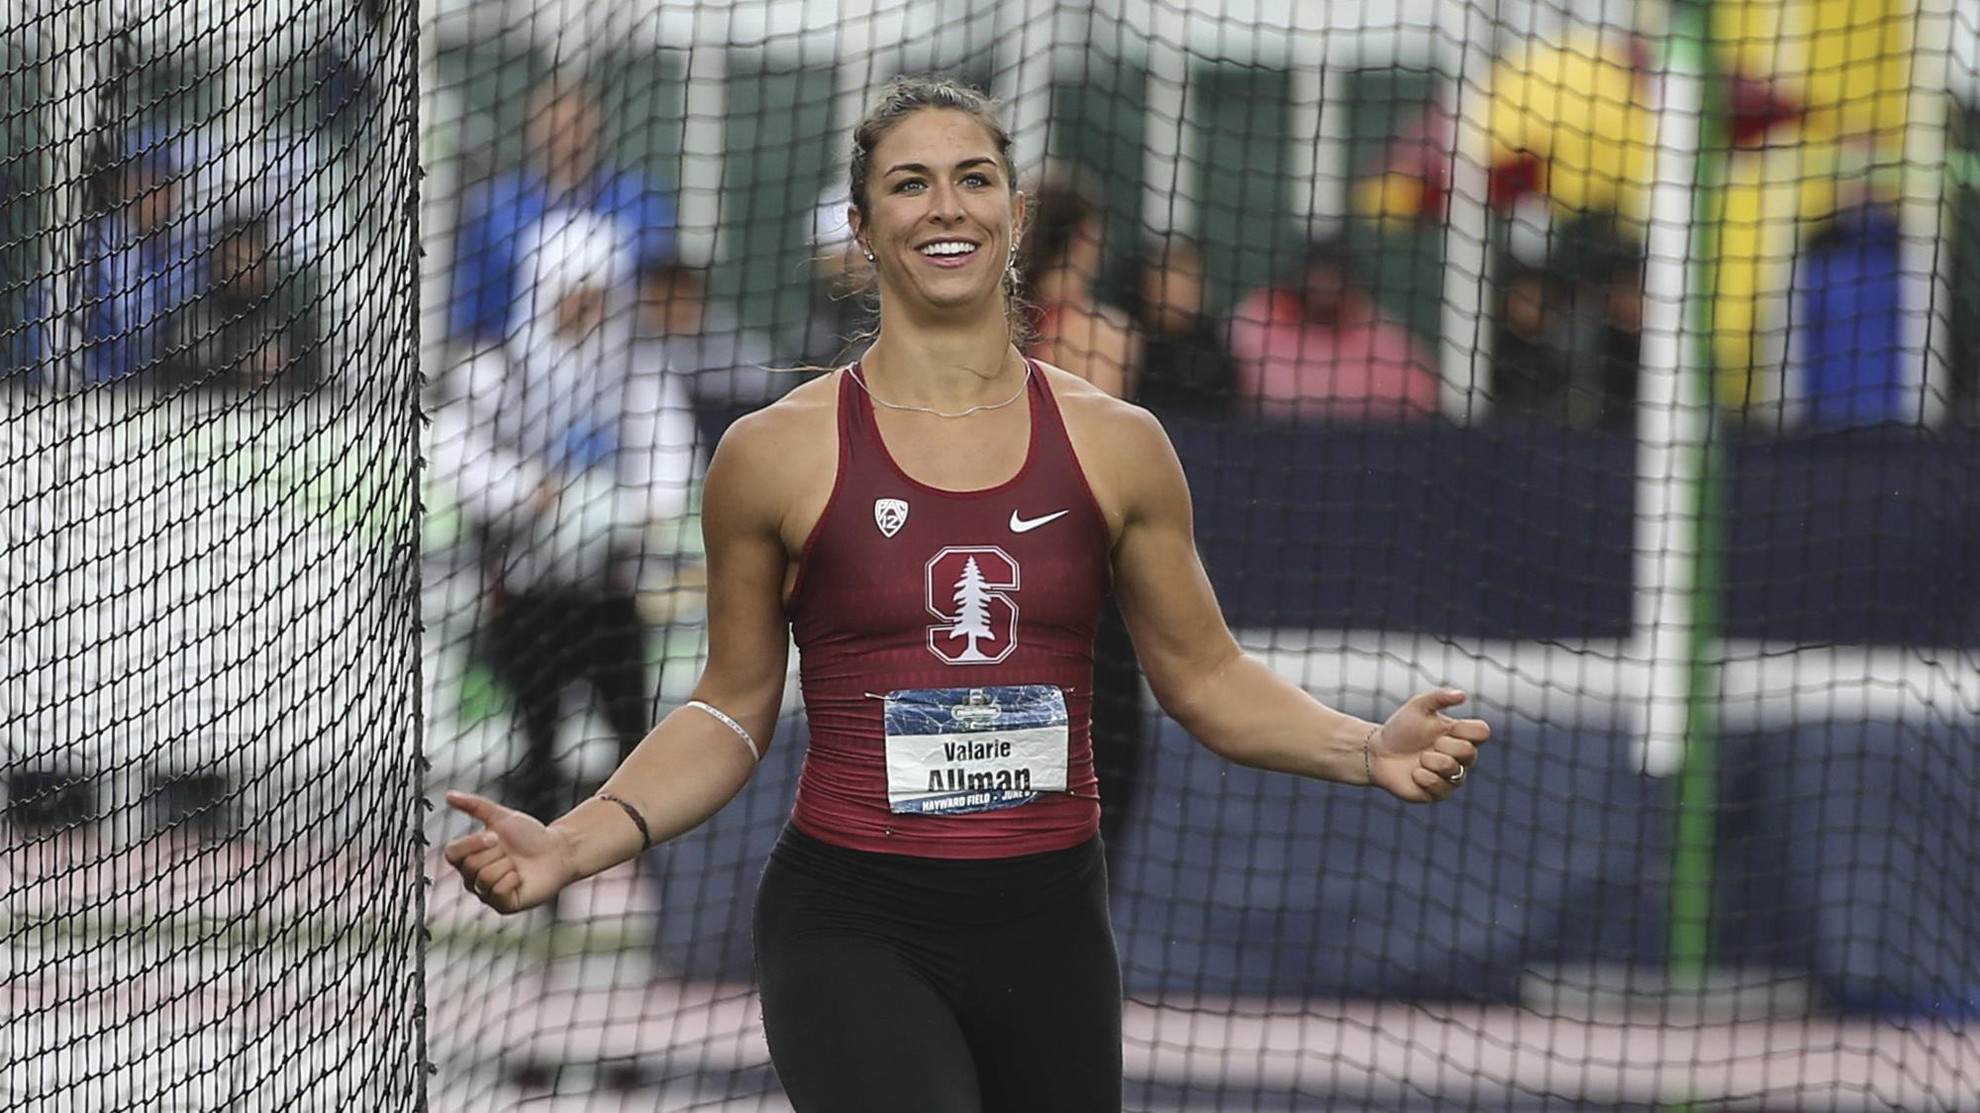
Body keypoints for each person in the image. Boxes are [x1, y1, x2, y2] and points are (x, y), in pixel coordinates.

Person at [443, 76, 1488, 1112]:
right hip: (851, 925)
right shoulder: (773, 455)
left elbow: (1208, 678)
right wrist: (573, 843)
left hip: (1050, 934)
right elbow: (729, 708)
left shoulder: (1119, 447)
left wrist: (1368, 748)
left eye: (973, 178)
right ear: (862, 225)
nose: (945, 205)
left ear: (1015, 213)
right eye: (910, 184)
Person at [430, 209, 701, 829]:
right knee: (536, 740)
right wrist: (535, 491)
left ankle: (656, 878)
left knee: (633, 737)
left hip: (607, 594)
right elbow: (456, 453)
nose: (588, 310)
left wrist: (619, 512)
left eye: (599, 297)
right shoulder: (498, 368)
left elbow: (671, 456)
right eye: (575, 295)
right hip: (525, 595)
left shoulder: (635, 370)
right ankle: (539, 891)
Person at [1014, 171, 1146, 868]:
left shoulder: (989, 335)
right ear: (1085, 240)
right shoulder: (1103, 334)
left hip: (1006, 565)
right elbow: (1103, 456)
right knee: (1105, 764)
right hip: (1086, 572)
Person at [447, 75, 678, 351]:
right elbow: (475, 307)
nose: (570, 138)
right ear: (536, 130)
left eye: (578, 124)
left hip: (619, 356)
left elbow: (660, 280)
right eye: (558, 127)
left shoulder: (638, 198)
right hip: (519, 356)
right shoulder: (496, 205)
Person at [1227, 239, 1441, 420]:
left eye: (1334, 277)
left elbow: (1424, 402)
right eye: (1316, 276)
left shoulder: (1383, 340)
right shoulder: (1256, 327)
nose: (1325, 286)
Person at [81, 127, 206, 385]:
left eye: (160, 184)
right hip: (96, 399)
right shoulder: (93, 249)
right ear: (122, 187)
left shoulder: (190, 256)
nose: (152, 196)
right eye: (142, 182)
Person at [171, 214, 324, 393]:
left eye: (244, 254)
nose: (237, 266)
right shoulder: (199, 315)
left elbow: (313, 368)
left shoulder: (286, 309)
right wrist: (236, 368)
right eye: (230, 255)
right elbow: (177, 375)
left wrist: (286, 364)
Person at [1127, 234, 1240, 416]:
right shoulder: (1130, 347)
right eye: (1173, 276)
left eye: (1192, 277)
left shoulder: (1215, 348)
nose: (1186, 288)